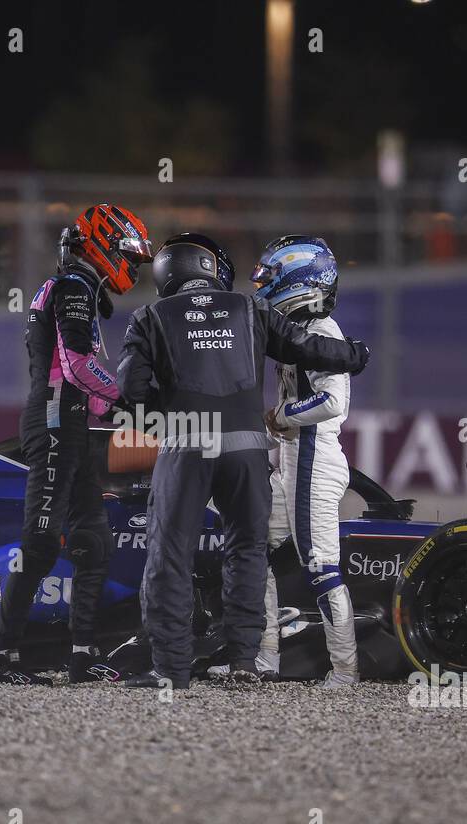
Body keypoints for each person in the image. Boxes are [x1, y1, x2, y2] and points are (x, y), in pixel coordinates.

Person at [116, 233, 369, 689]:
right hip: (249, 450)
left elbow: (130, 391)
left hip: (189, 445)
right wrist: (356, 354)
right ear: (211, 270)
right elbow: (305, 346)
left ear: (166, 276)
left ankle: (171, 671)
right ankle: (245, 663)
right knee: (248, 553)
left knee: (170, 555)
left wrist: (167, 412)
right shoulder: (249, 309)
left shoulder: (150, 316)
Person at [0, 203, 153, 685]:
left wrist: (123, 412)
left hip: (70, 424)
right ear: (104, 244)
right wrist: (132, 397)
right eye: (130, 256)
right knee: (40, 546)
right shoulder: (73, 287)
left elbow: (80, 383)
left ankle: (81, 658)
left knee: (94, 543)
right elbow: (78, 366)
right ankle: (4, 660)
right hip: (55, 425)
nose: (133, 268)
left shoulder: (72, 287)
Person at [252, 236, 359, 687]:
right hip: (295, 459)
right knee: (255, 547)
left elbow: (334, 402)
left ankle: (346, 672)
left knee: (321, 569)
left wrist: (282, 415)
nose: (264, 288)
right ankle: (265, 659)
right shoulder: (304, 331)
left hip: (314, 462)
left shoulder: (322, 332)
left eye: (272, 278)